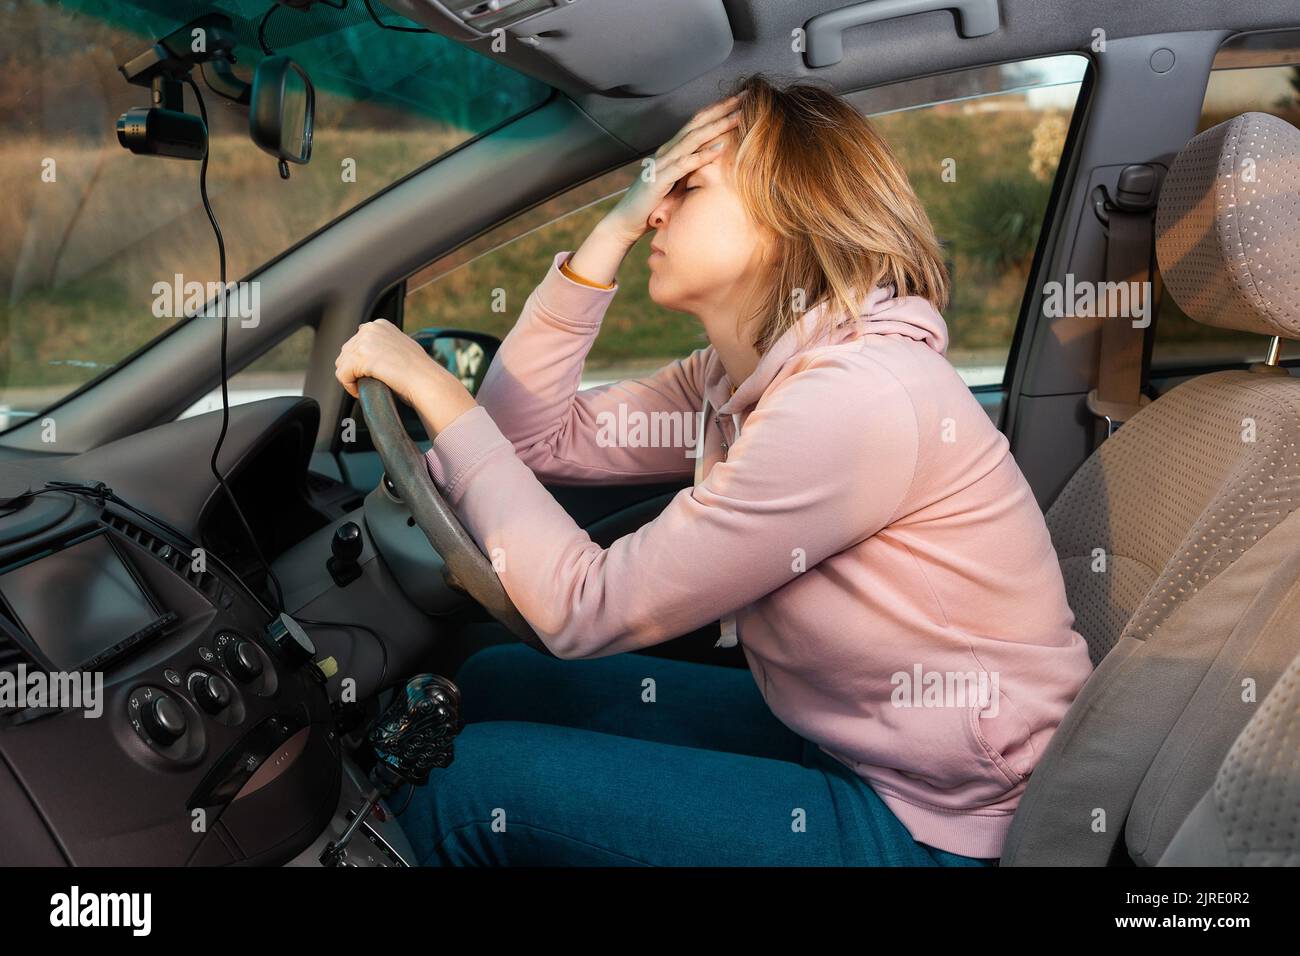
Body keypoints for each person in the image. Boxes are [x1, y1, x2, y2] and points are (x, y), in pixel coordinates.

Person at [334, 74, 1094, 866]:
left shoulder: (855, 401)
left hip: (950, 822)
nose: (654, 207)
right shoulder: (741, 377)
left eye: (685, 187)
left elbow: (584, 608)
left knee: (465, 796)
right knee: (497, 679)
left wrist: (432, 385)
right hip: (862, 745)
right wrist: (609, 237)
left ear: (788, 214)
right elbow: (529, 436)